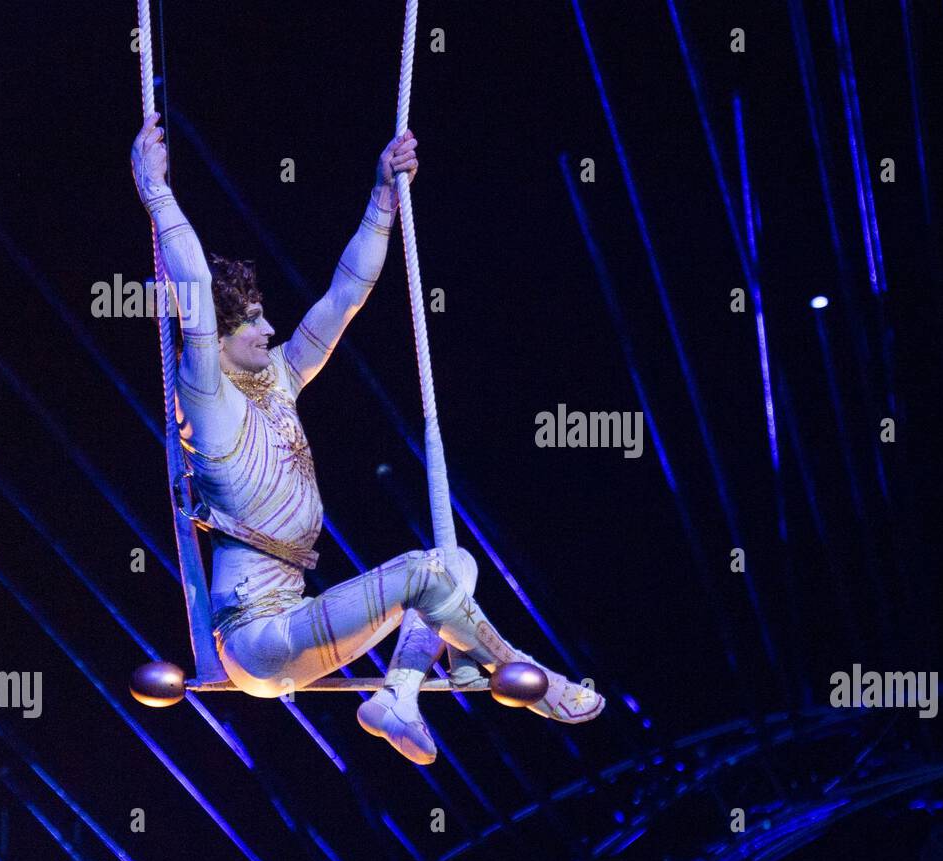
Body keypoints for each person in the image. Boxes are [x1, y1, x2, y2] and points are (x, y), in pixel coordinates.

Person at [130, 112, 604, 765]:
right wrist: (156, 192)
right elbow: (194, 301)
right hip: (256, 639)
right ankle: (526, 673)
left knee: (455, 566)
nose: (268, 332)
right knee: (423, 572)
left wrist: (383, 194)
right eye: (255, 324)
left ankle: (399, 697)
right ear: (222, 337)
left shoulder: (282, 382)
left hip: (296, 633)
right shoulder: (207, 399)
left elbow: (346, 293)